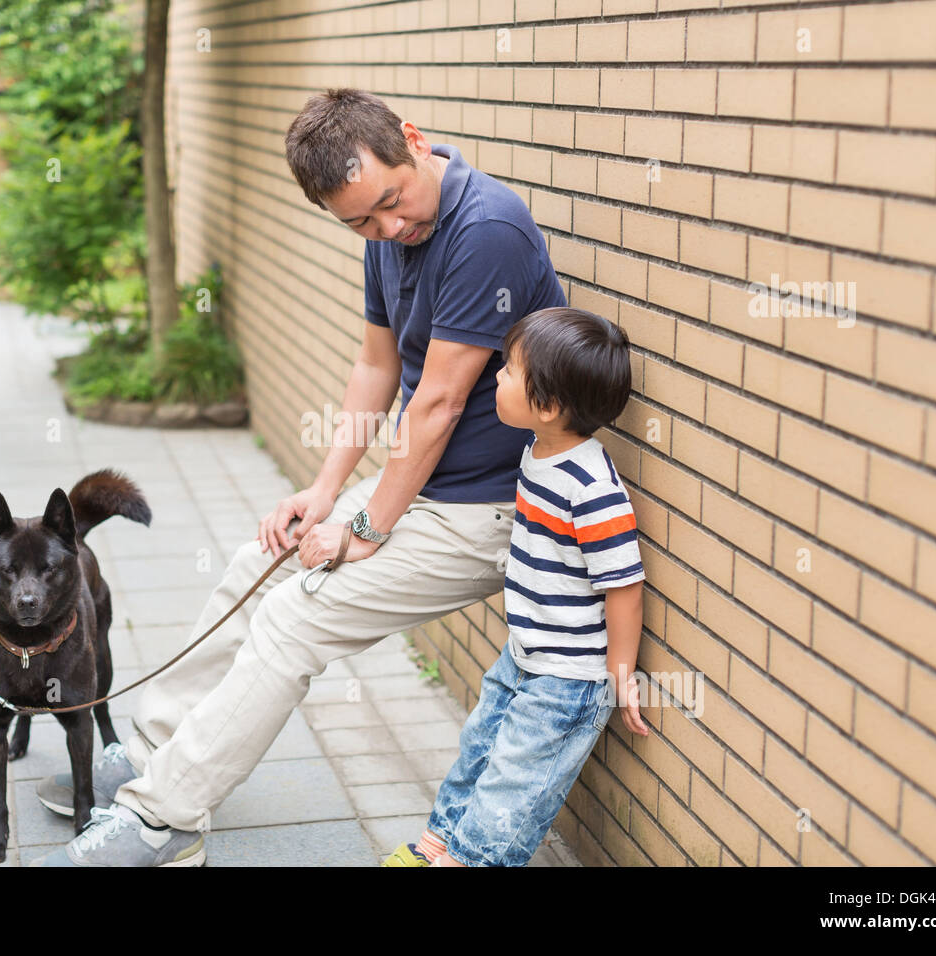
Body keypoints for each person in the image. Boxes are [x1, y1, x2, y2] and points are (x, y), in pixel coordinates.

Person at [32, 88, 568, 867]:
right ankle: (155, 752)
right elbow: (376, 365)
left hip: (488, 510)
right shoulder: (384, 231)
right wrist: (323, 494)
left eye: (392, 203)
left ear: (412, 141)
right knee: (261, 564)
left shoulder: (485, 231)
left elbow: (440, 403)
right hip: (421, 491)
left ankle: (164, 822)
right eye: (361, 221)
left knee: (294, 619)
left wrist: (364, 527)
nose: (389, 228)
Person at [382, 308, 648, 867]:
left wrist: (620, 671)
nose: (496, 376)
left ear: (548, 406)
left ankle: (469, 861)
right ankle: (436, 847)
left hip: (567, 679)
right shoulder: (537, 448)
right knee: (479, 750)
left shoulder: (592, 487)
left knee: (513, 790)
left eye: (508, 371)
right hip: (525, 652)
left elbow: (624, 584)